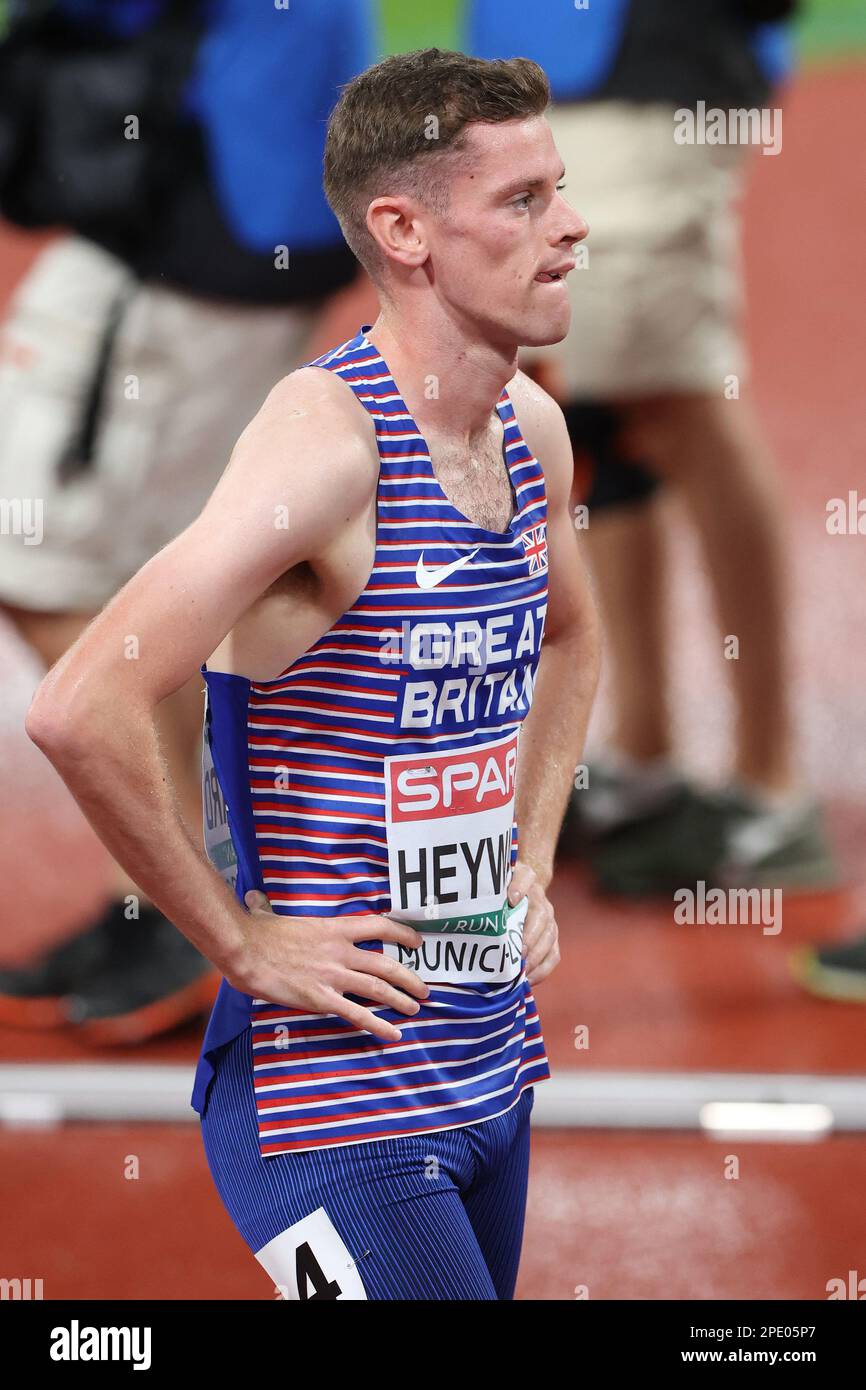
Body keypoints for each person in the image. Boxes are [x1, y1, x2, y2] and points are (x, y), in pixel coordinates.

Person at [25, 48, 600, 1300]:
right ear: (402, 231)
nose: (570, 228)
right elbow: (81, 704)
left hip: (487, 1058)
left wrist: (531, 849)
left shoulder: (529, 429)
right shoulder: (327, 453)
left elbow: (570, 636)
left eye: (558, 189)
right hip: (329, 1104)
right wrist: (238, 941)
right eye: (522, 201)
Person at [0, 0, 373, 1038]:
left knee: (47, 568)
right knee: (147, 576)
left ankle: (200, 903)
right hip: (225, 197)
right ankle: (176, 893)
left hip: (211, 214)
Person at [469, 0, 834, 894]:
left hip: (656, 63)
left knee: (679, 402)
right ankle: (645, 757)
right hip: (541, 65)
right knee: (595, 415)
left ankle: (771, 787)